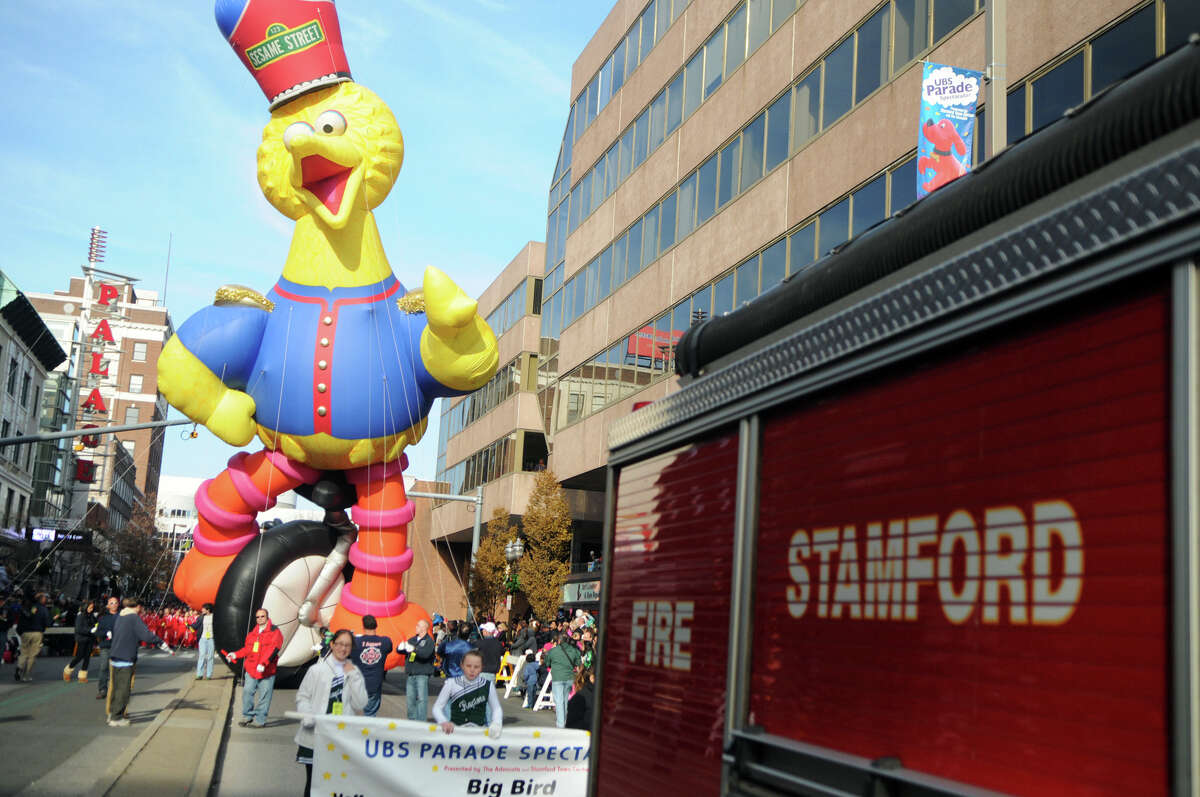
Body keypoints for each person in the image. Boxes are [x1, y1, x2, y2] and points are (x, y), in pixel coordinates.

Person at [295, 629, 367, 797]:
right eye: (340, 644)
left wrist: (354, 677)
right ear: (332, 645)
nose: (343, 648)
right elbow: (303, 696)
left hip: (339, 736)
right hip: (315, 734)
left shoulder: (354, 672)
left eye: (347, 645)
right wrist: (308, 716)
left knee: (336, 783)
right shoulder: (316, 670)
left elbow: (360, 703)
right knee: (313, 782)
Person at [107, 598, 173, 727]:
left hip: (115, 655)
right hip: (126, 656)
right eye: (141, 607)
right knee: (124, 689)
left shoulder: (121, 616)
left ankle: (112, 713)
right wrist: (160, 642)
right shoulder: (133, 617)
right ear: (137, 606)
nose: (142, 610)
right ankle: (117, 717)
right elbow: (146, 635)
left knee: (116, 688)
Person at [227, 607, 283, 728]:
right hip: (252, 669)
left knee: (264, 696)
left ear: (267, 617)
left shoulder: (275, 631)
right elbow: (247, 649)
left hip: (267, 671)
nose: (260, 619)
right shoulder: (252, 633)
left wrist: (264, 663)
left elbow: (274, 649)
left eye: (262, 616)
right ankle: (247, 716)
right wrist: (235, 654)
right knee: (247, 692)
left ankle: (260, 720)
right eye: (257, 617)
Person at [432, 649, 502, 738]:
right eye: (468, 666)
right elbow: (437, 707)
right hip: (456, 733)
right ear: (462, 665)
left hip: (479, 733)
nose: (472, 670)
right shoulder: (451, 683)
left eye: (476, 667)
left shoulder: (488, 685)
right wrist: (443, 721)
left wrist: (496, 723)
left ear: (482, 667)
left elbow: (496, 708)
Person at [350, 614, 393, 717]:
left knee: (350, 713)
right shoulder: (385, 641)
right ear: (376, 626)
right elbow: (389, 648)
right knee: (370, 715)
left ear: (363, 627)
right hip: (374, 684)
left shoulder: (355, 642)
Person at [545, 632, 583, 728]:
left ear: (559, 640)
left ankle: (561, 725)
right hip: (569, 677)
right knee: (565, 701)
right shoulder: (574, 650)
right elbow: (578, 662)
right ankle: (564, 722)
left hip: (557, 677)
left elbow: (547, 663)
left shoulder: (553, 650)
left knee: (559, 701)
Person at [402, 618, 435, 722]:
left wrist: (414, 649)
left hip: (422, 674)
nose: (416, 627)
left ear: (424, 628)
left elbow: (425, 654)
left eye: (418, 626)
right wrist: (401, 648)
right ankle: (412, 720)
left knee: (421, 699)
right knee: (410, 699)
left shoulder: (429, 641)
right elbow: (403, 651)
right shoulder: (412, 640)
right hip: (411, 674)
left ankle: (421, 721)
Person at [15, 592, 50, 682]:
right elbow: (47, 622)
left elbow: (21, 621)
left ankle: (19, 667)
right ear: (42, 600)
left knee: (24, 652)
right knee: (32, 655)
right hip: (37, 632)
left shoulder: (27, 608)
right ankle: (26, 675)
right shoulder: (43, 609)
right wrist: (43, 628)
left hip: (25, 632)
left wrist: (20, 632)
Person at [63, 599, 96, 682]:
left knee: (87, 658)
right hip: (82, 639)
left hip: (90, 639)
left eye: (92, 608)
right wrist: (90, 630)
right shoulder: (80, 616)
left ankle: (82, 676)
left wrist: (96, 627)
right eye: (90, 607)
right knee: (79, 656)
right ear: (85, 607)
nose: (91, 609)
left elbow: (95, 624)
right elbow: (79, 629)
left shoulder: (92, 616)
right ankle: (67, 671)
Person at [94, 596, 119, 699]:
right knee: (104, 667)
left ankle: (117, 690)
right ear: (108, 605)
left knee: (117, 669)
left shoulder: (122, 617)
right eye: (111, 603)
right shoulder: (103, 618)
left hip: (118, 646)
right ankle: (102, 689)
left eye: (116, 603)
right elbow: (98, 632)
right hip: (106, 646)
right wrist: (106, 633)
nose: (114, 605)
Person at [191, 603, 215, 679]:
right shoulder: (201, 617)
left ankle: (209, 675)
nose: (202, 610)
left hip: (211, 639)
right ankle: (199, 674)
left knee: (210, 657)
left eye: (203, 608)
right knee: (202, 655)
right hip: (202, 638)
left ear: (208, 610)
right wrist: (189, 626)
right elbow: (195, 625)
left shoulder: (214, 617)